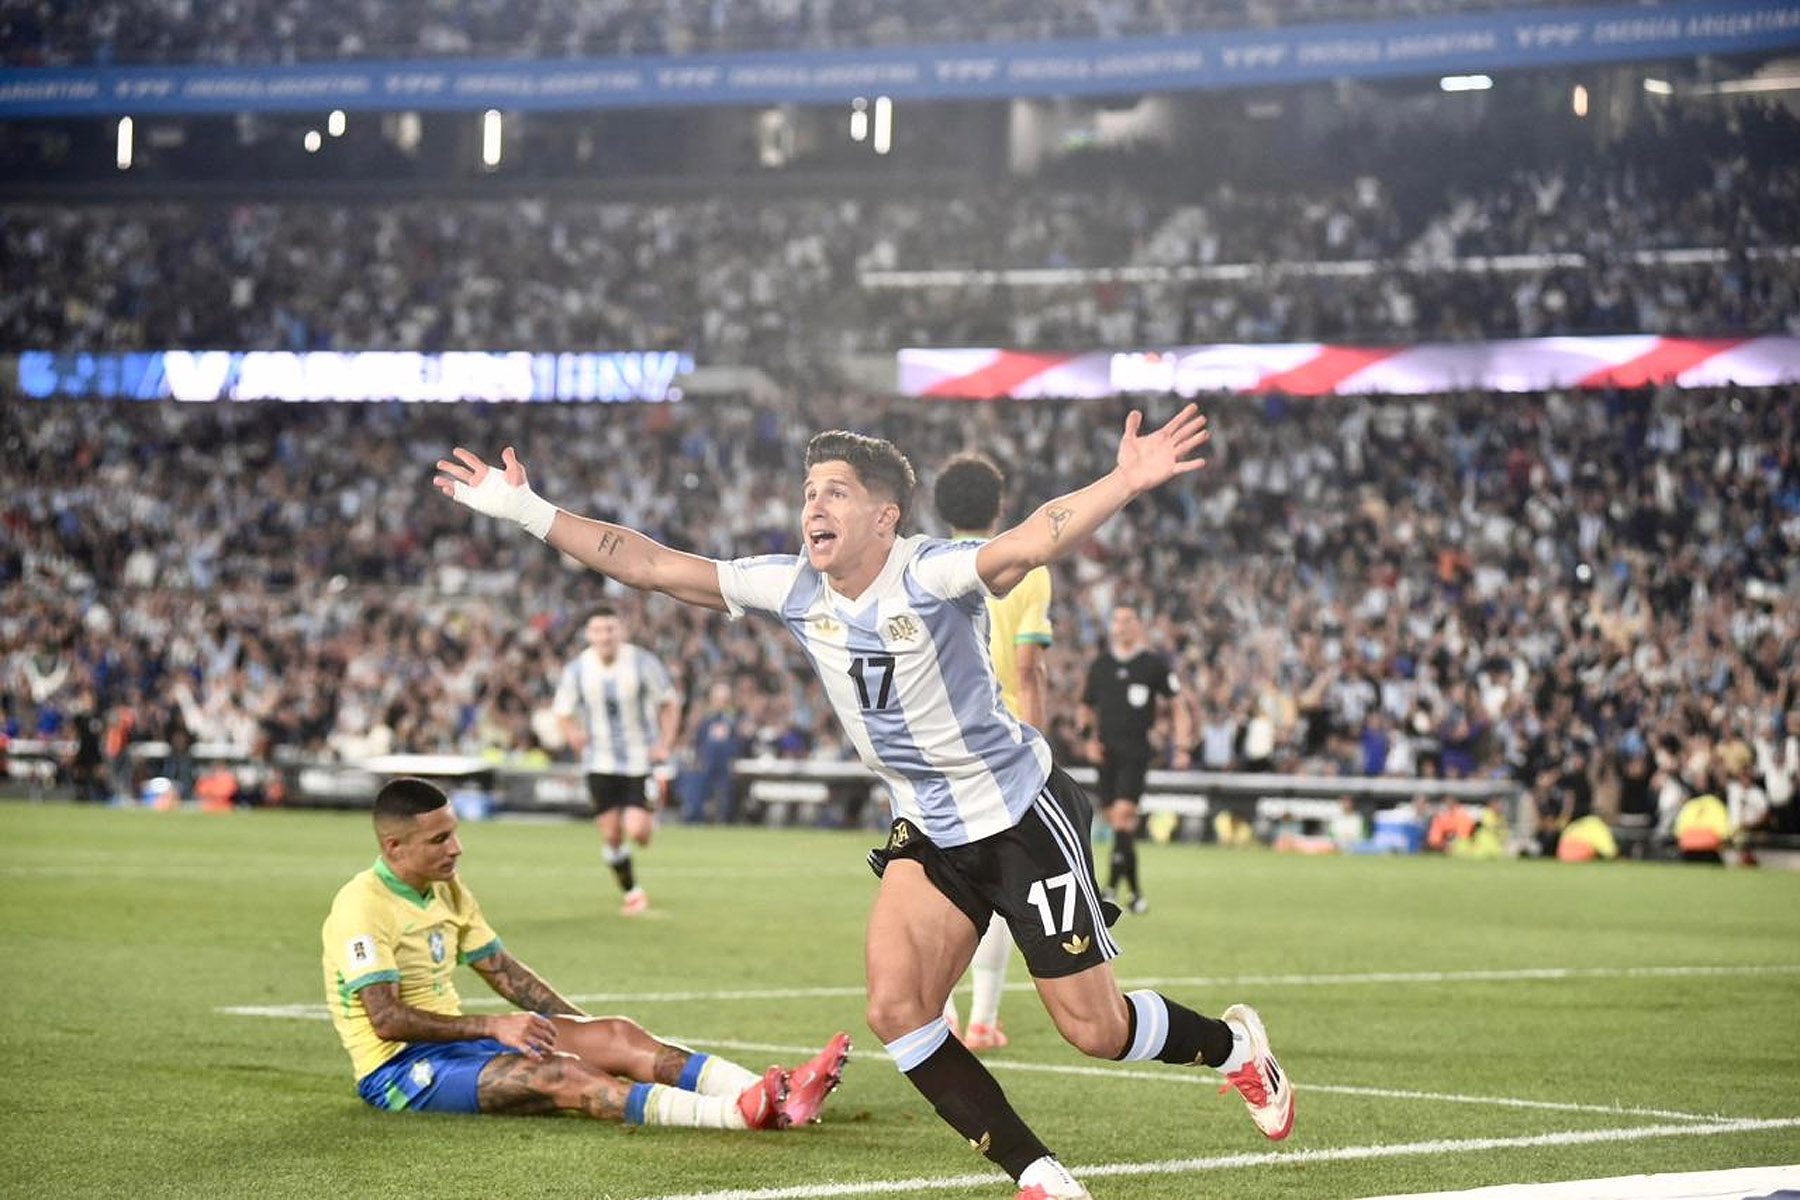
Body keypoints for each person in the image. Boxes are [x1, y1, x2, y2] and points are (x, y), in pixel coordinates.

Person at [432, 404, 1293, 1200]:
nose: (815, 505)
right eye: (809, 491)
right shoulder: (793, 590)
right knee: (896, 1009)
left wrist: (1125, 481)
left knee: (1095, 1033)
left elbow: (1029, 542)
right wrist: (527, 512)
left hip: (1021, 817)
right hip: (930, 828)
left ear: (885, 516)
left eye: (836, 492)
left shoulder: (929, 572)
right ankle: (1039, 1176)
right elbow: (648, 563)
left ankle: (1235, 1047)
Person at [322, 777, 850, 1125]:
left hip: (459, 1049)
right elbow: (386, 1020)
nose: (456, 848)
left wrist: (591, 1033)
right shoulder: (361, 907)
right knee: (562, 1076)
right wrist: (491, 1026)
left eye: (453, 834)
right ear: (394, 847)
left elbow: (503, 971)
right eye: (439, 840)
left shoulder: (447, 888)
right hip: (399, 1073)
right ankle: (739, 1115)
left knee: (617, 1035)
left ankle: (777, 1094)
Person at [931, 451, 1056, 1053]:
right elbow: (1028, 670)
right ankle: (982, 1018)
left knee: (933, 879)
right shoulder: (1028, 569)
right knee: (997, 887)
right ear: (999, 504)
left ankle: (943, 1013)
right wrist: (1039, 748)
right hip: (1001, 746)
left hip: (935, 741)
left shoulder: (923, 564)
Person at [553, 604, 680, 915]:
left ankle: (649, 817)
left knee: (639, 833)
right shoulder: (577, 669)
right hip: (600, 763)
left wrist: (665, 743)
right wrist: (574, 736)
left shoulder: (642, 662)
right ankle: (632, 892)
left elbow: (669, 702)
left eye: (610, 629)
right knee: (610, 833)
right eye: (598, 630)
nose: (604, 636)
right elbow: (562, 710)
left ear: (620, 630)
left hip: (640, 760)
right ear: (588, 634)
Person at [1077, 602, 1192, 915]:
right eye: (1117, 620)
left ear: (1138, 625)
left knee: (1125, 815)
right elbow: (1085, 707)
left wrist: (1182, 746)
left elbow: (1178, 705)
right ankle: (1129, 893)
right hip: (1106, 753)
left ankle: (1116, 891)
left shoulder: (1152, 665)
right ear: (1112, 626)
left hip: (1135, 751)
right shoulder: (1100, 666)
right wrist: (1087, 739)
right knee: (1119, 824)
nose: (1122, 626)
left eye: (1128, 620)